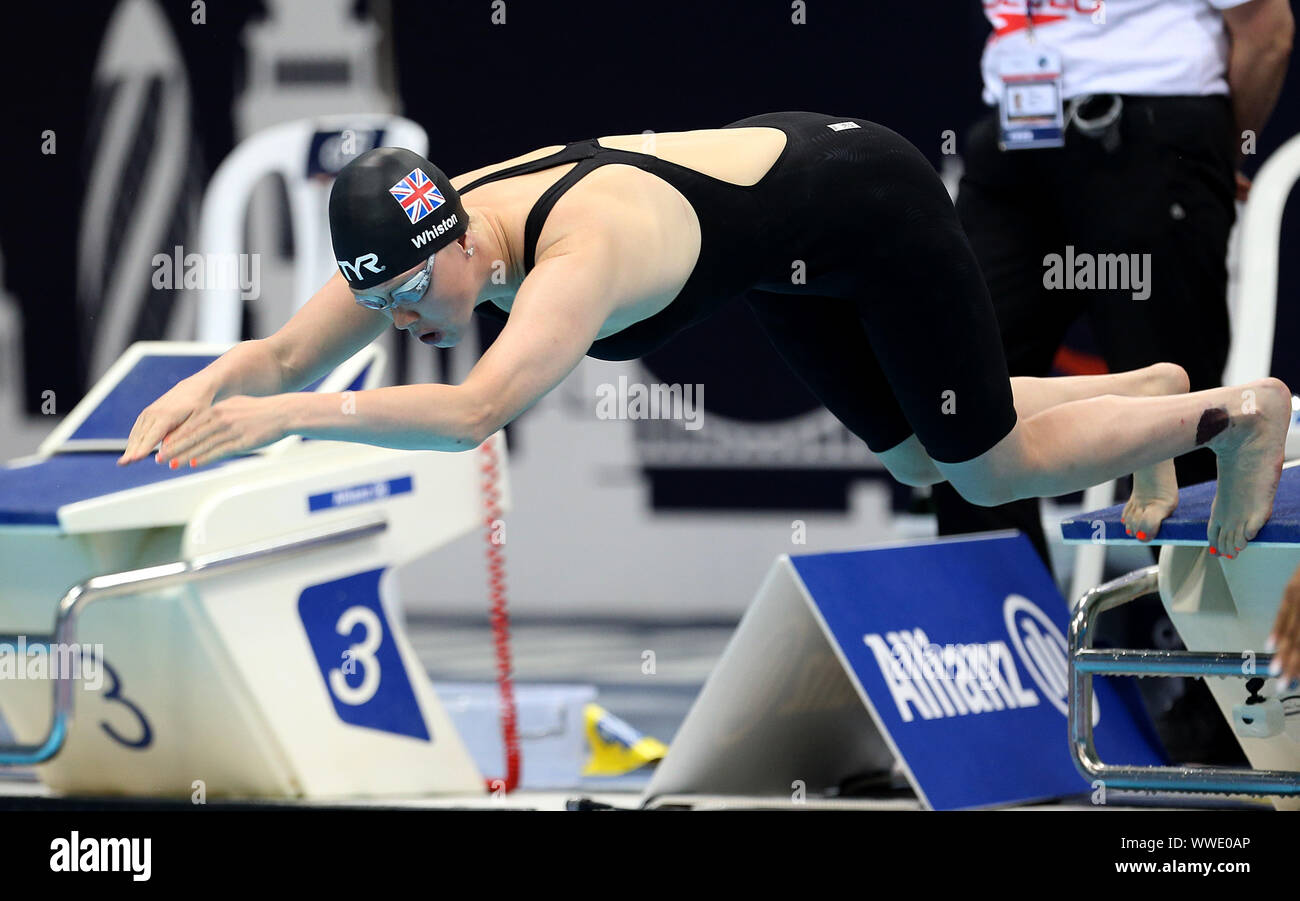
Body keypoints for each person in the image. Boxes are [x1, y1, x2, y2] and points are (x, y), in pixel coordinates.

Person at [117, 112, 1289, 560]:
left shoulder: (581, 255)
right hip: (779, 257)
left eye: (413, 298)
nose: (408, 324)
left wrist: (283, 419)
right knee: (916, 449)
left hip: (865, 204)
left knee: (982, 468)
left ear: (467, 241)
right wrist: (198, 395)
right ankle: (1144, 389)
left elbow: (477, 413)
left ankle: (1222, 419)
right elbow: (277, 354)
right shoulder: (437, 229)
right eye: (383, 305)